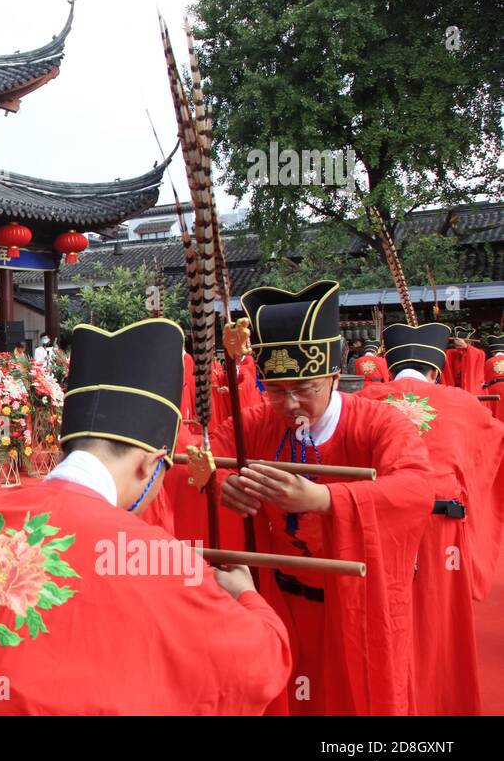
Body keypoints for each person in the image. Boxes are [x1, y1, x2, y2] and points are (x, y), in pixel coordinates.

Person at [0, 319, 291, 714]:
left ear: (62, 452)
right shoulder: (151, 554)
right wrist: (245, 591)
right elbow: (260, 663)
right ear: (152, 464)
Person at [211, 281, 433, 715]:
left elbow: (416, 486)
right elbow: (204, 456)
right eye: (276, 390)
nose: (289, 402)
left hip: (358, 605)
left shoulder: (378, 424)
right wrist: (223, 486)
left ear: (334, 376)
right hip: (281, 597)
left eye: (305, 388)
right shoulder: (257, 422)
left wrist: (324, 499)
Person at [358, 322, 504, 714]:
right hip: (440, 530)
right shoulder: (462, 402)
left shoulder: (363, 399)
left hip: (377, 526)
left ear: (387, 364)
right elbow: (490, 448)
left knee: (381, 620)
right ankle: (440, 701)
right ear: (436, 369)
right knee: (437, 622)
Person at [445, 325, 485, 394]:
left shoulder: (478, 353)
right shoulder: (451, 353)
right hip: (455, 389)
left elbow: (479, 354)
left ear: (470, 343)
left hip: (472, 388)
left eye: (467, 342)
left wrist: (466, 347)